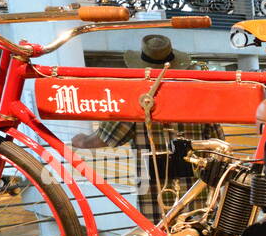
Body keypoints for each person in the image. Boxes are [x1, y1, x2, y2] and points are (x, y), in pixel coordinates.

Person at [70, 34, 222, 223]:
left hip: (156, 200)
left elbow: (106, 137)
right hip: (198, 196)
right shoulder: (195, 93)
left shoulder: (136, 98)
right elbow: (218, 141)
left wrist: (81, 141)